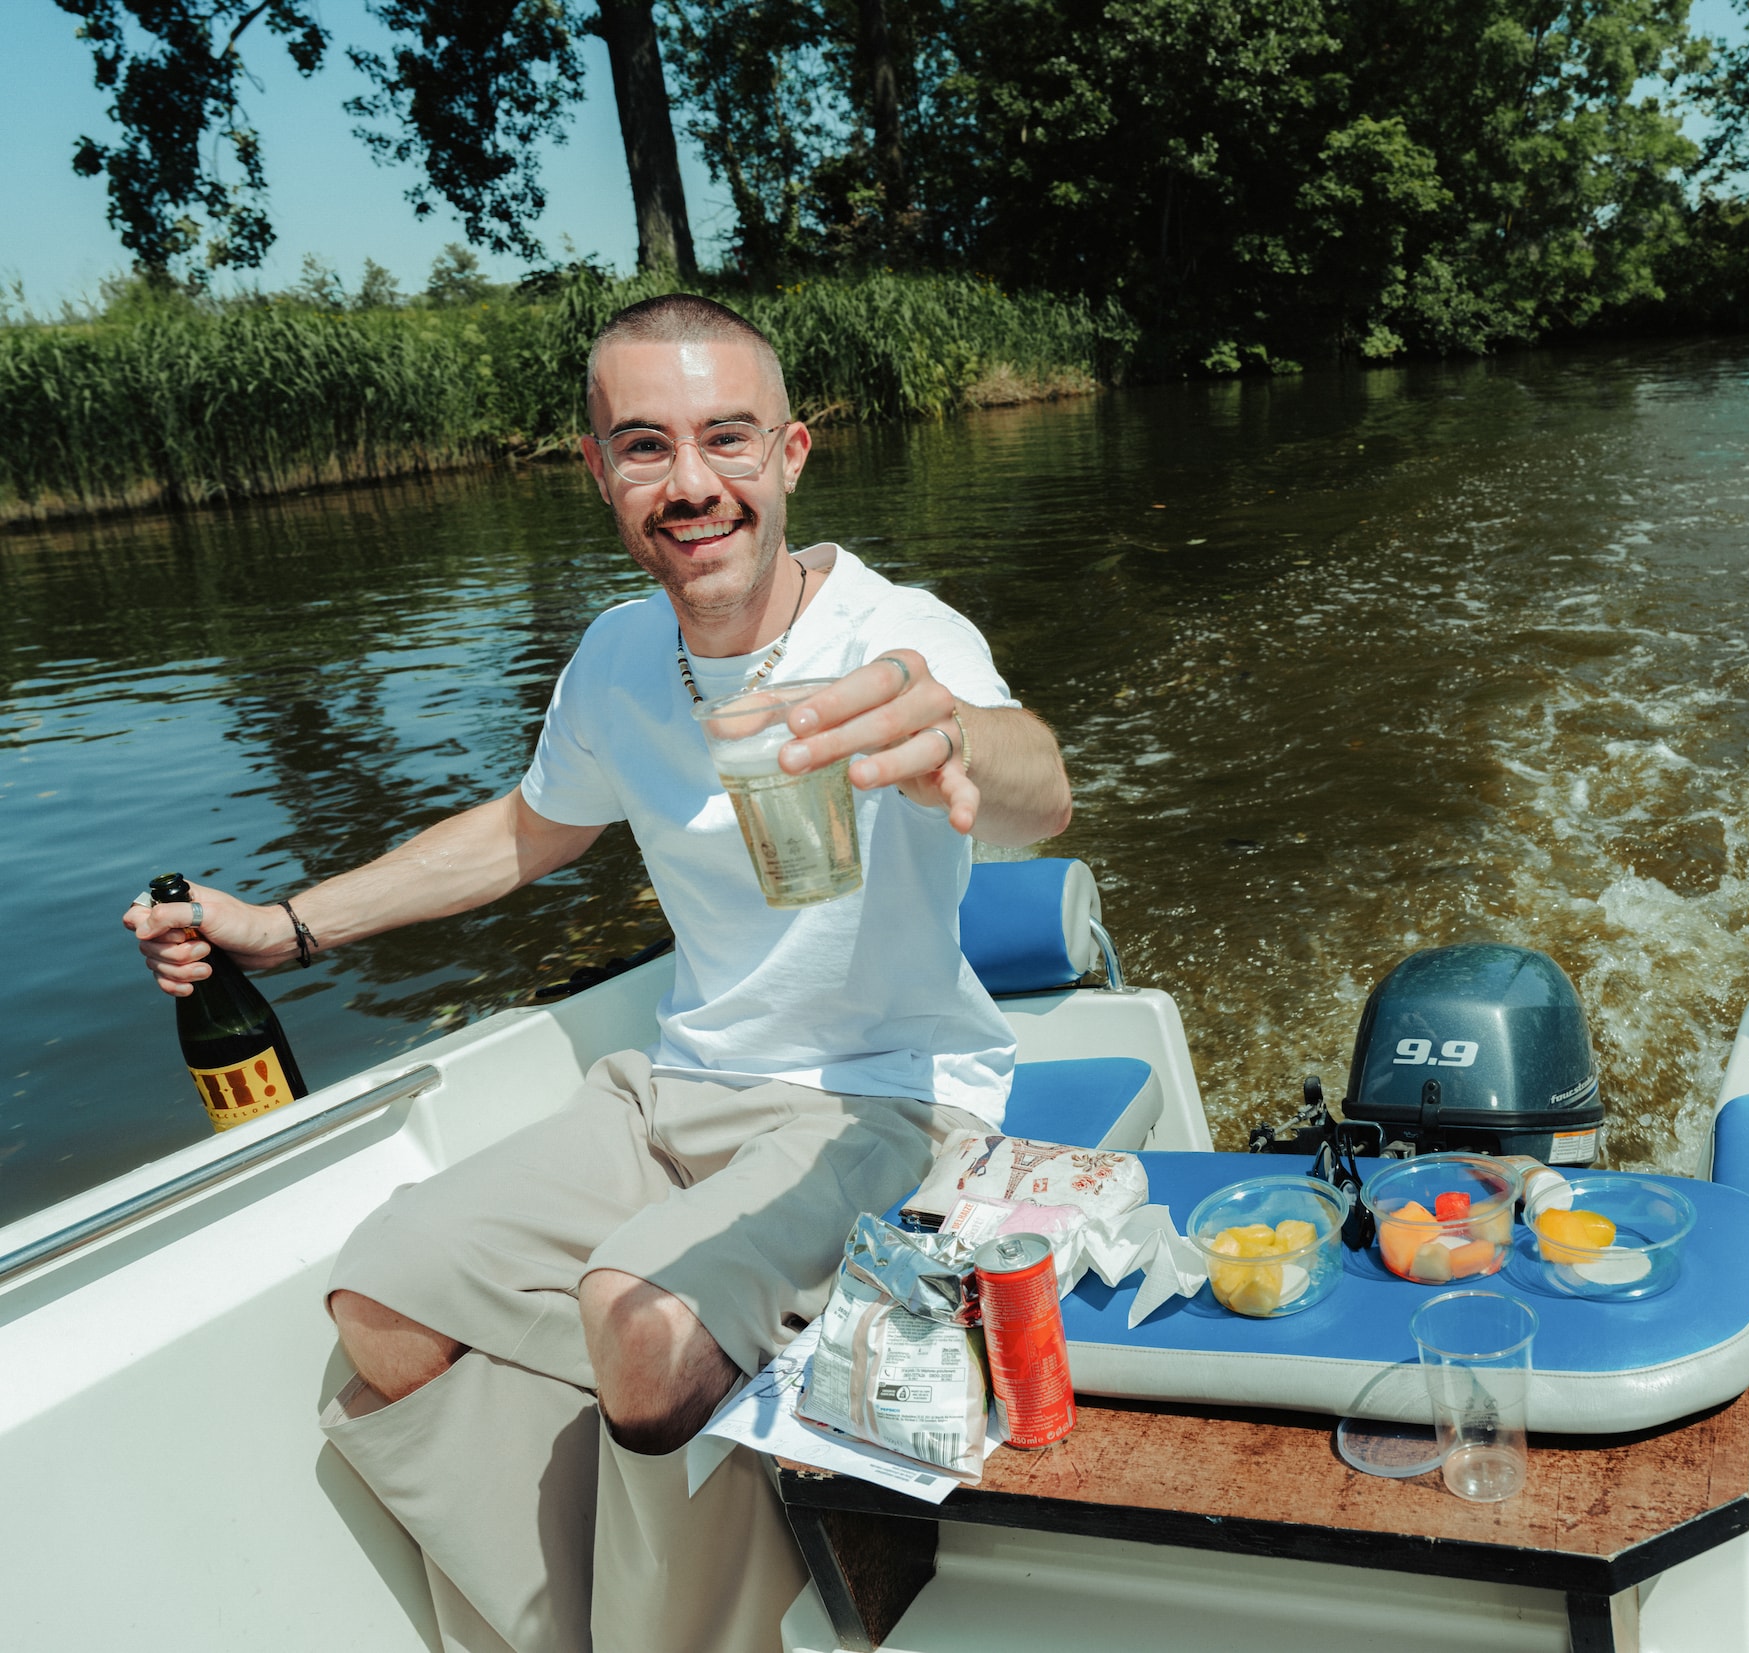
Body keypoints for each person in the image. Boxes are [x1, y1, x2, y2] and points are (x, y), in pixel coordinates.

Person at [123, 294, 1073, 1653]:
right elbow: (524, 832)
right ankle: (582, 1626)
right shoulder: (620, 658)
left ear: (792, 453)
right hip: (675, 1088)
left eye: (727, 439)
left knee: (638, 1319)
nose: (692, 484)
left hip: (885, 1105)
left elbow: (1043, 788)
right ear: (598, 468)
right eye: (646, 445)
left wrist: (953, 744)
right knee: (385, 1290)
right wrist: (284, 925)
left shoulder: (894, 637)